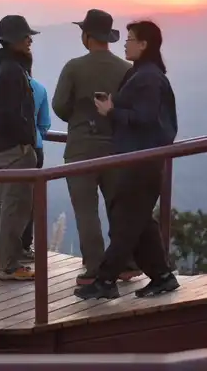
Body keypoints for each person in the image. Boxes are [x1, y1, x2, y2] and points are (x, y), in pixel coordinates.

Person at [75, 20, 180, 300]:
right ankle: (163, 276)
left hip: (141, 162)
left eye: (130, 39)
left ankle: (106, 280)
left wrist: (111, 112)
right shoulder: (142, 73)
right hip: (140, 160)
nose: (125, 44)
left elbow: (145, 119)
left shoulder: (148, 78)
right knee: (138, 222)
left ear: (144, 44)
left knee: (124, 223)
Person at [52, 9, 140, 286]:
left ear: (87, 36)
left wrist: (78, 116)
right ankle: (126, 263)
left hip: (80, 149)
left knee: (86, 211)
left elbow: (59, 106)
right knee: (118, 208)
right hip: (116, 149)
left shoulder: (74, 67)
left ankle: (94, 269)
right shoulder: (126, 69)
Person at [0, 15, 39, 281]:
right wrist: (26, 141)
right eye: (25, 37)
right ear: (14, 41)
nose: (30, 40)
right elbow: (9, 115)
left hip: (4, 148)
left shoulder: (6, 68)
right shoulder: (12, 72)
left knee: (5, 203)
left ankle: (2, 259)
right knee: (15, 206)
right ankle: (9, 265)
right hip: (15, 150)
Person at [0, 53, 51, 263]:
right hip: (28, 148)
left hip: (2, 149)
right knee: (23, 203)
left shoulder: (4, 82)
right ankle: (18, 251)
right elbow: (45, 123)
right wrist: (34, 136)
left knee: (2, 201)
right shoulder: (38, 89)